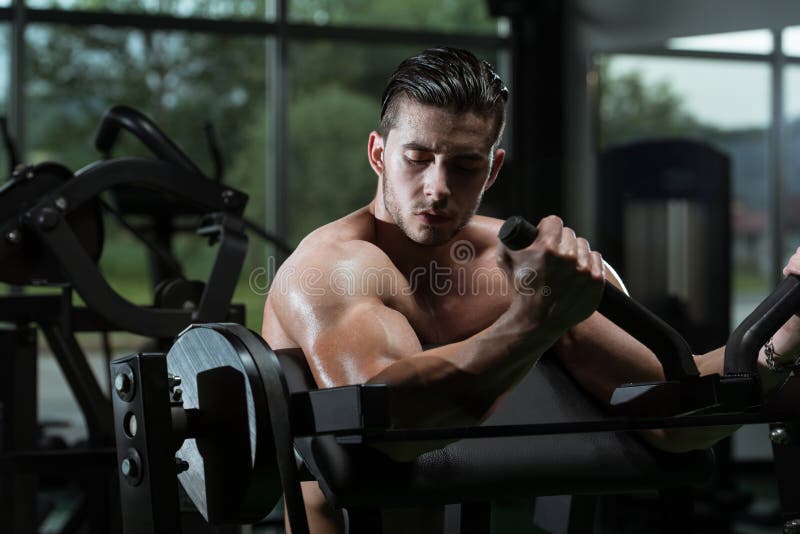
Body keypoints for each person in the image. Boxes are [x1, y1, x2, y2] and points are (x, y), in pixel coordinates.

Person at [262, 46, 800, 534]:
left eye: (465, 164)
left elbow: (669, 420)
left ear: (493, 168)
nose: (437, 187)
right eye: (417, 158)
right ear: (379, 154)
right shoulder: (331, 269)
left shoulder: (520, 263)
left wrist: (790, 327)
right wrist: (534, 321)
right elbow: (391, 426)